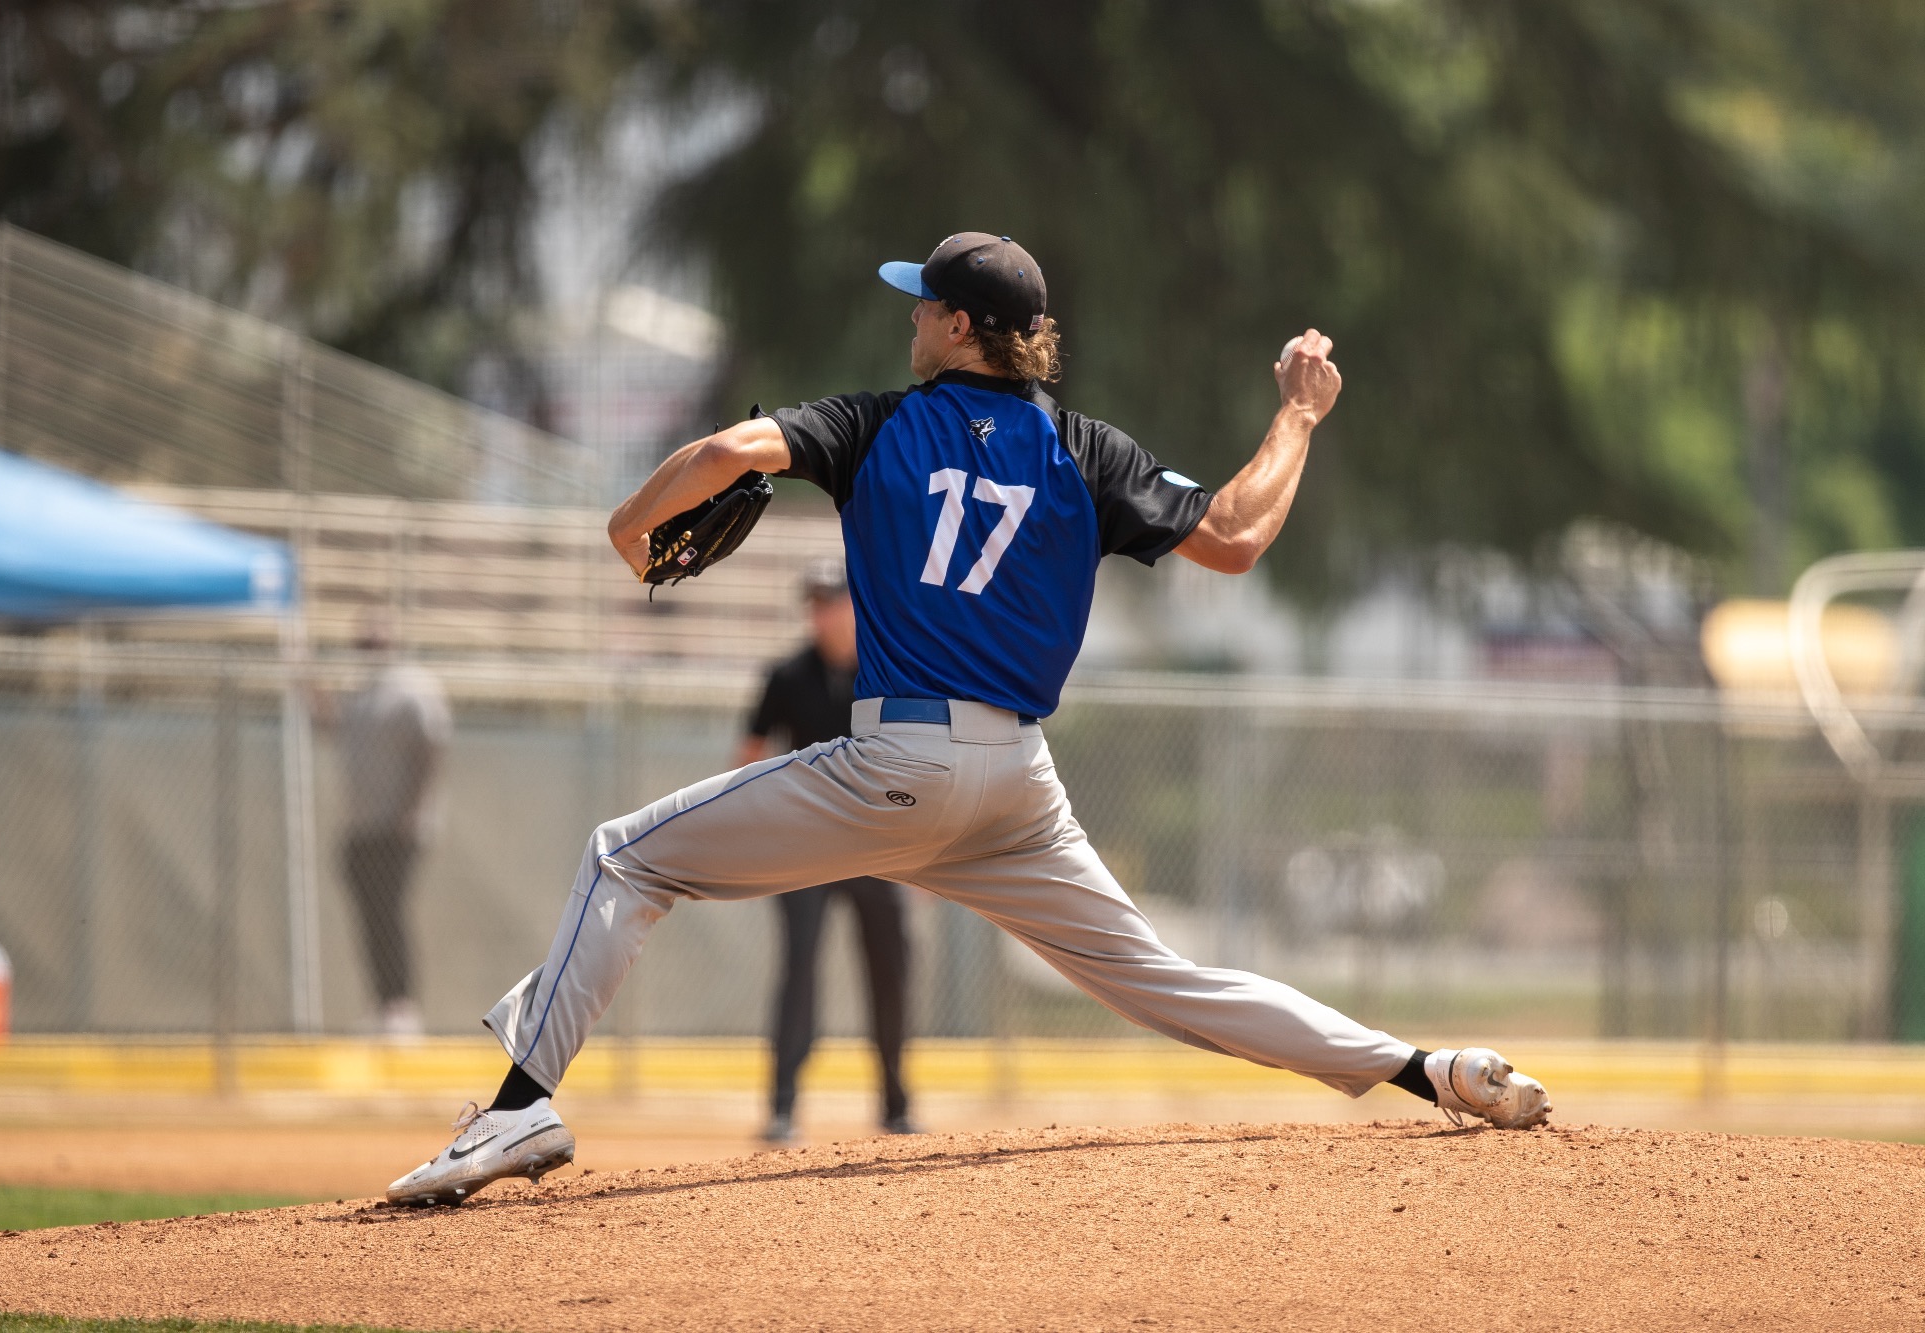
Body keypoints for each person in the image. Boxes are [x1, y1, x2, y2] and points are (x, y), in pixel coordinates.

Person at [388, 231, 1550, 1206]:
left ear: (955, 326)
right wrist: (1295, 415)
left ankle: (518, 1109)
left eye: (921, 304)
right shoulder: (1084, 450)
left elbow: (728, 451)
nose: (909, 318)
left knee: (622, 858)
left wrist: (627, 529)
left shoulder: (876, 423)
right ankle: (1429, 1070)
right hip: (1016, 788)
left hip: (895, 763)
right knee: (1167, 981)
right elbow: (1236, 536)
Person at [740, 559, 913, 1143]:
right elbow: (749, 754)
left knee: (890, 972)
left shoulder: (887, 670)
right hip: (806, 849)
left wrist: (920, 852)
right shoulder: (787, 675)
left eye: (830, 602)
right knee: (799, 972)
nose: (821, 614)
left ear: (854, 606)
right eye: (814, 604)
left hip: (876, 847)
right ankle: (782, 1109)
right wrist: (759, 829)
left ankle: (896, 1105)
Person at [334, 611, 451, 1039]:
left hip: (397, 825)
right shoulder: (361, 692)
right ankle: (381, 1001)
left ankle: (401, 1005)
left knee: (389, 910)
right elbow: (333, 728)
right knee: (369, 914)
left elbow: (432, 746)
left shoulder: (412, 689)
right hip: (361, 823)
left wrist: (411, 810)